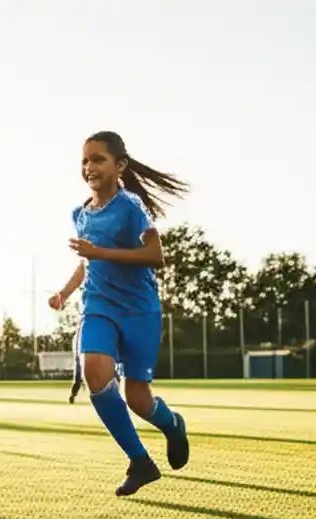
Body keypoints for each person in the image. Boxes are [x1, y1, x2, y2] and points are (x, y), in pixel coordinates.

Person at [48, 131, 190, 496]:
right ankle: (140, 461)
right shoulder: (79, 214)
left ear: (119, 166)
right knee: (95, 370)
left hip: (139, 311)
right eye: (84, 160)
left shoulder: (130, 207)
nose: (89, 167)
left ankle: (173, 425)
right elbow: (88, 263)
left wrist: (100, 253)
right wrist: (64, 292)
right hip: (99, 308)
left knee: (138, 400)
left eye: (98, 159)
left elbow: (155, 256)